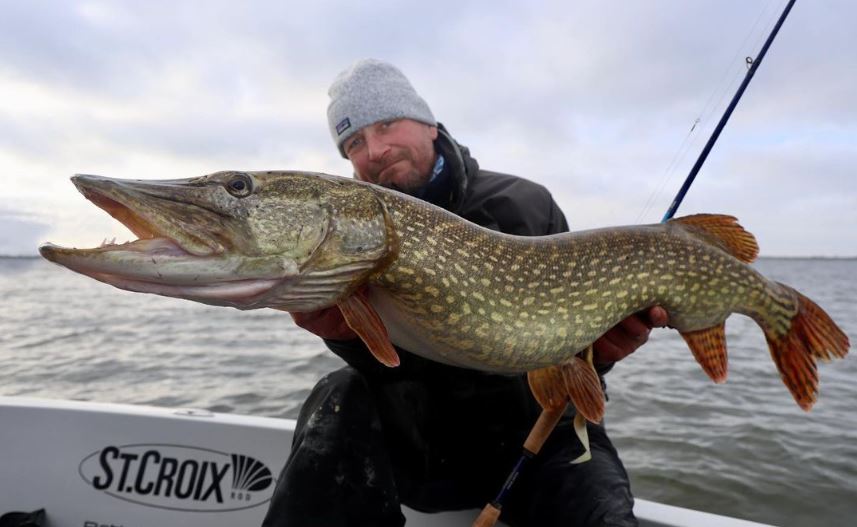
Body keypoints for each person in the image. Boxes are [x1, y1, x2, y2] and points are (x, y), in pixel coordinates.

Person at [262, 59, 668, 527]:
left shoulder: (524, 204)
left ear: (430, 125)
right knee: (338, 393)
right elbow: (398, 371)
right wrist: (350, 337)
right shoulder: (347, 237)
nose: (374, 149)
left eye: (387, 124)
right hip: (425, 451)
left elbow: (573, 354)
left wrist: (604, 350)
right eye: (354, 142)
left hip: (541, 440)